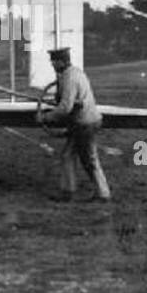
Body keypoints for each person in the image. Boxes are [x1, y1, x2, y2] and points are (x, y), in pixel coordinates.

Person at [37, 46, 111, 202]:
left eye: (54, 61)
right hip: (85, 121)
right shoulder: (75, 72)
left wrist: (45, 118)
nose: (52, 64)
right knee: (68, 155)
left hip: (85, 123)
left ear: (61, 61)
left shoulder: (69, 78)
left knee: (89, 160)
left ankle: (103, 194)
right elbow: (71, 101)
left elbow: (65, 108)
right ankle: (68, 192)